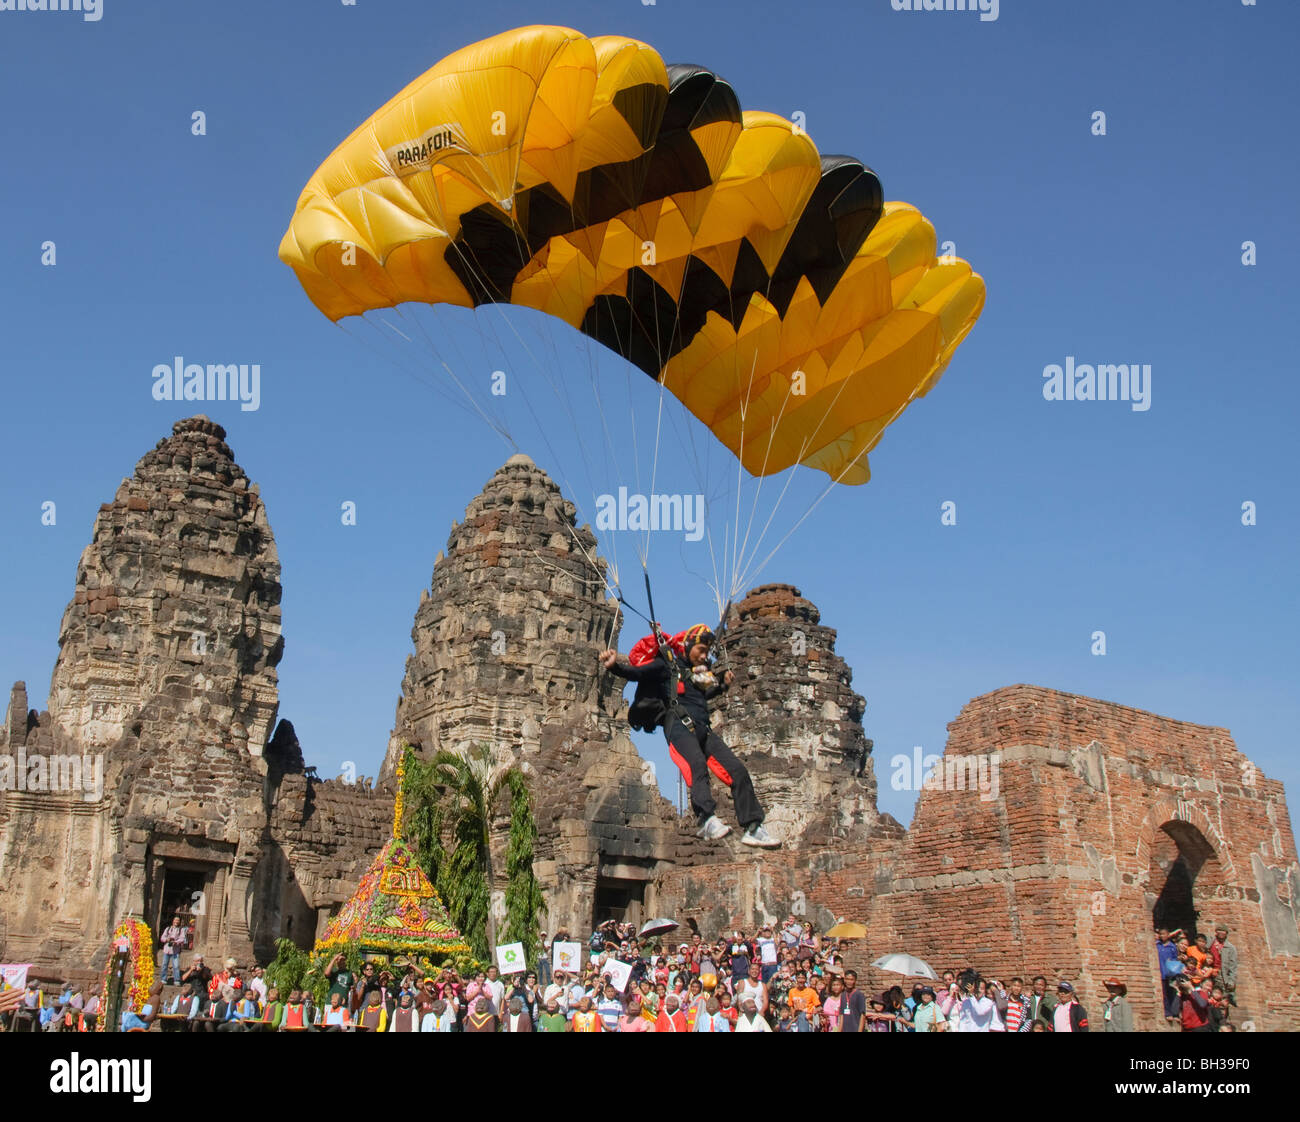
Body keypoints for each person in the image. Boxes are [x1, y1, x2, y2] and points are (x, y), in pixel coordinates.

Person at [600, 624, 778, 847]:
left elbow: (705, 693)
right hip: (679, 728)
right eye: (701, 650)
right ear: (688, 646)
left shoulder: (697, 674)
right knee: (696, 765)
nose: (704, 656)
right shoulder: (667, 666)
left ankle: (753, 826)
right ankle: (706, 819)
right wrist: (614, 666)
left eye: (707, 652)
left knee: (738, 770)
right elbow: (637, 673)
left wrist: (723, 685)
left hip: (703, 730)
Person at [1212, 925, 1239, 1001]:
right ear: (1216, 932)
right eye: (1219, 930)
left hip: (1222, 976)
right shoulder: (1210, 943)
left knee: (1222, 997)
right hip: (1210, 973)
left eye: (1223, 931)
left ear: (1226, 933)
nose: (1221, 933)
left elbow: (1233, 966)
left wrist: (1231, 980)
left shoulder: (1230, 948)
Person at [160, 915, 186, 985]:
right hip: (167, 949)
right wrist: (167, 939)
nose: (176, 921)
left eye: (178, 920)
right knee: (164, 964)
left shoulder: (181, 930)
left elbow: (182, 938)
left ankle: (176, 980)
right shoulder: (168, 928)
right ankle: (163, 979)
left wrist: (176, 942)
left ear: (179, 922)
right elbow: (162, 938)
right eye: (175, 920)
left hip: (175, 950)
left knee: (176, 965)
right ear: (173, 921)